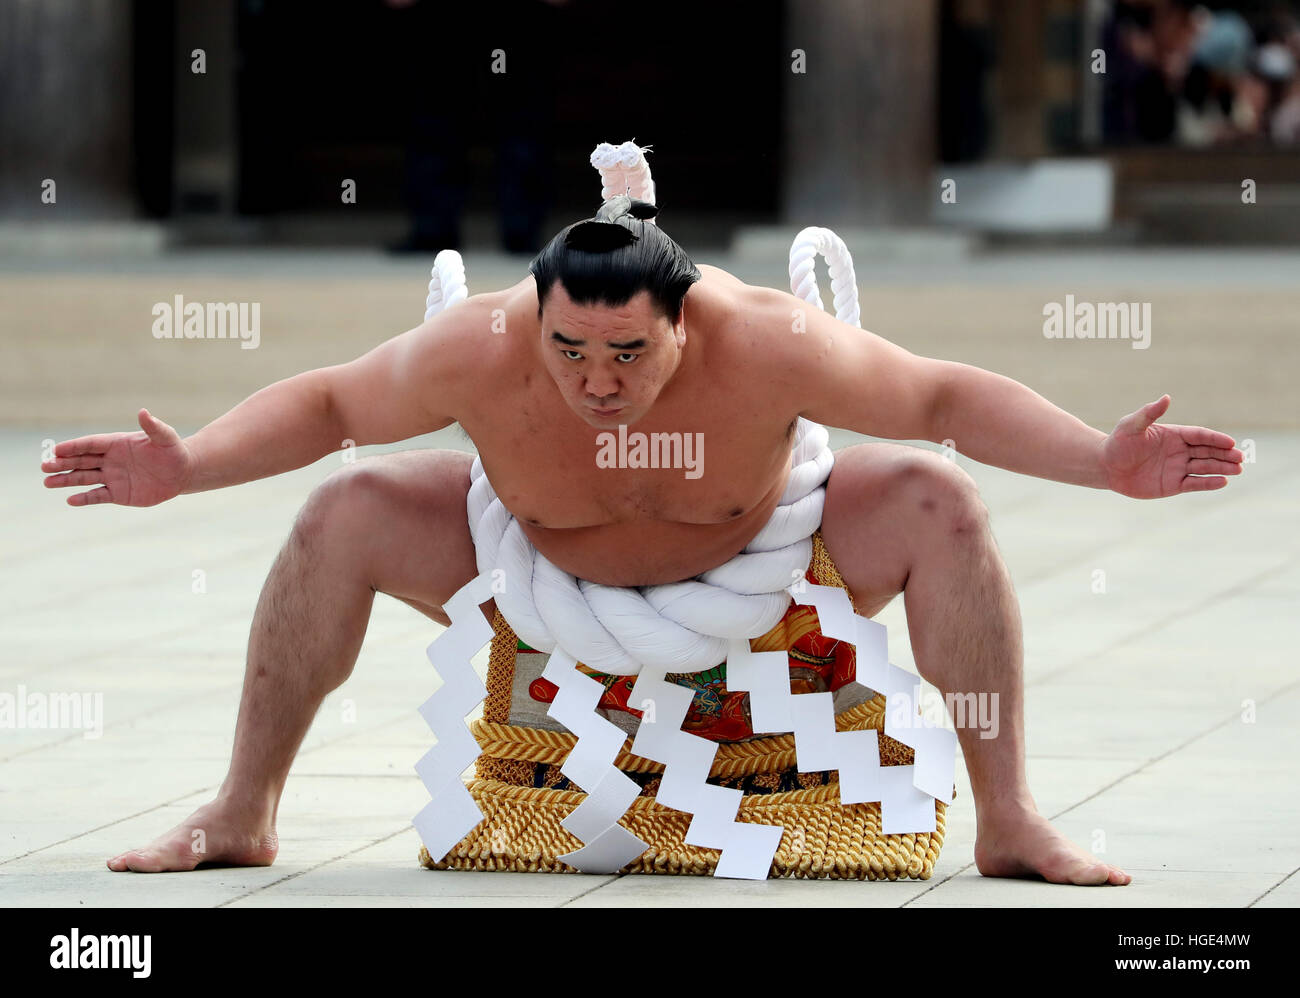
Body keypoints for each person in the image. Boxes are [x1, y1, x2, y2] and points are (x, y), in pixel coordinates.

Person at [44, 197, 1243, 885]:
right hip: (538, 576)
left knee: (937, 495)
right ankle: (241, 807)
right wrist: (190, 463)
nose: (596, 382)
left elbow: (938, 396)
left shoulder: (770, 340)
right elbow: (327, 407)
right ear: (539, 321)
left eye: (629, 354)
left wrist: (1098, 457)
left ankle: (1011, 817)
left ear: (686, 323)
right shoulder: (481, 345)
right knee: (339, 511)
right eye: (570, 352)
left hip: (769, 576)